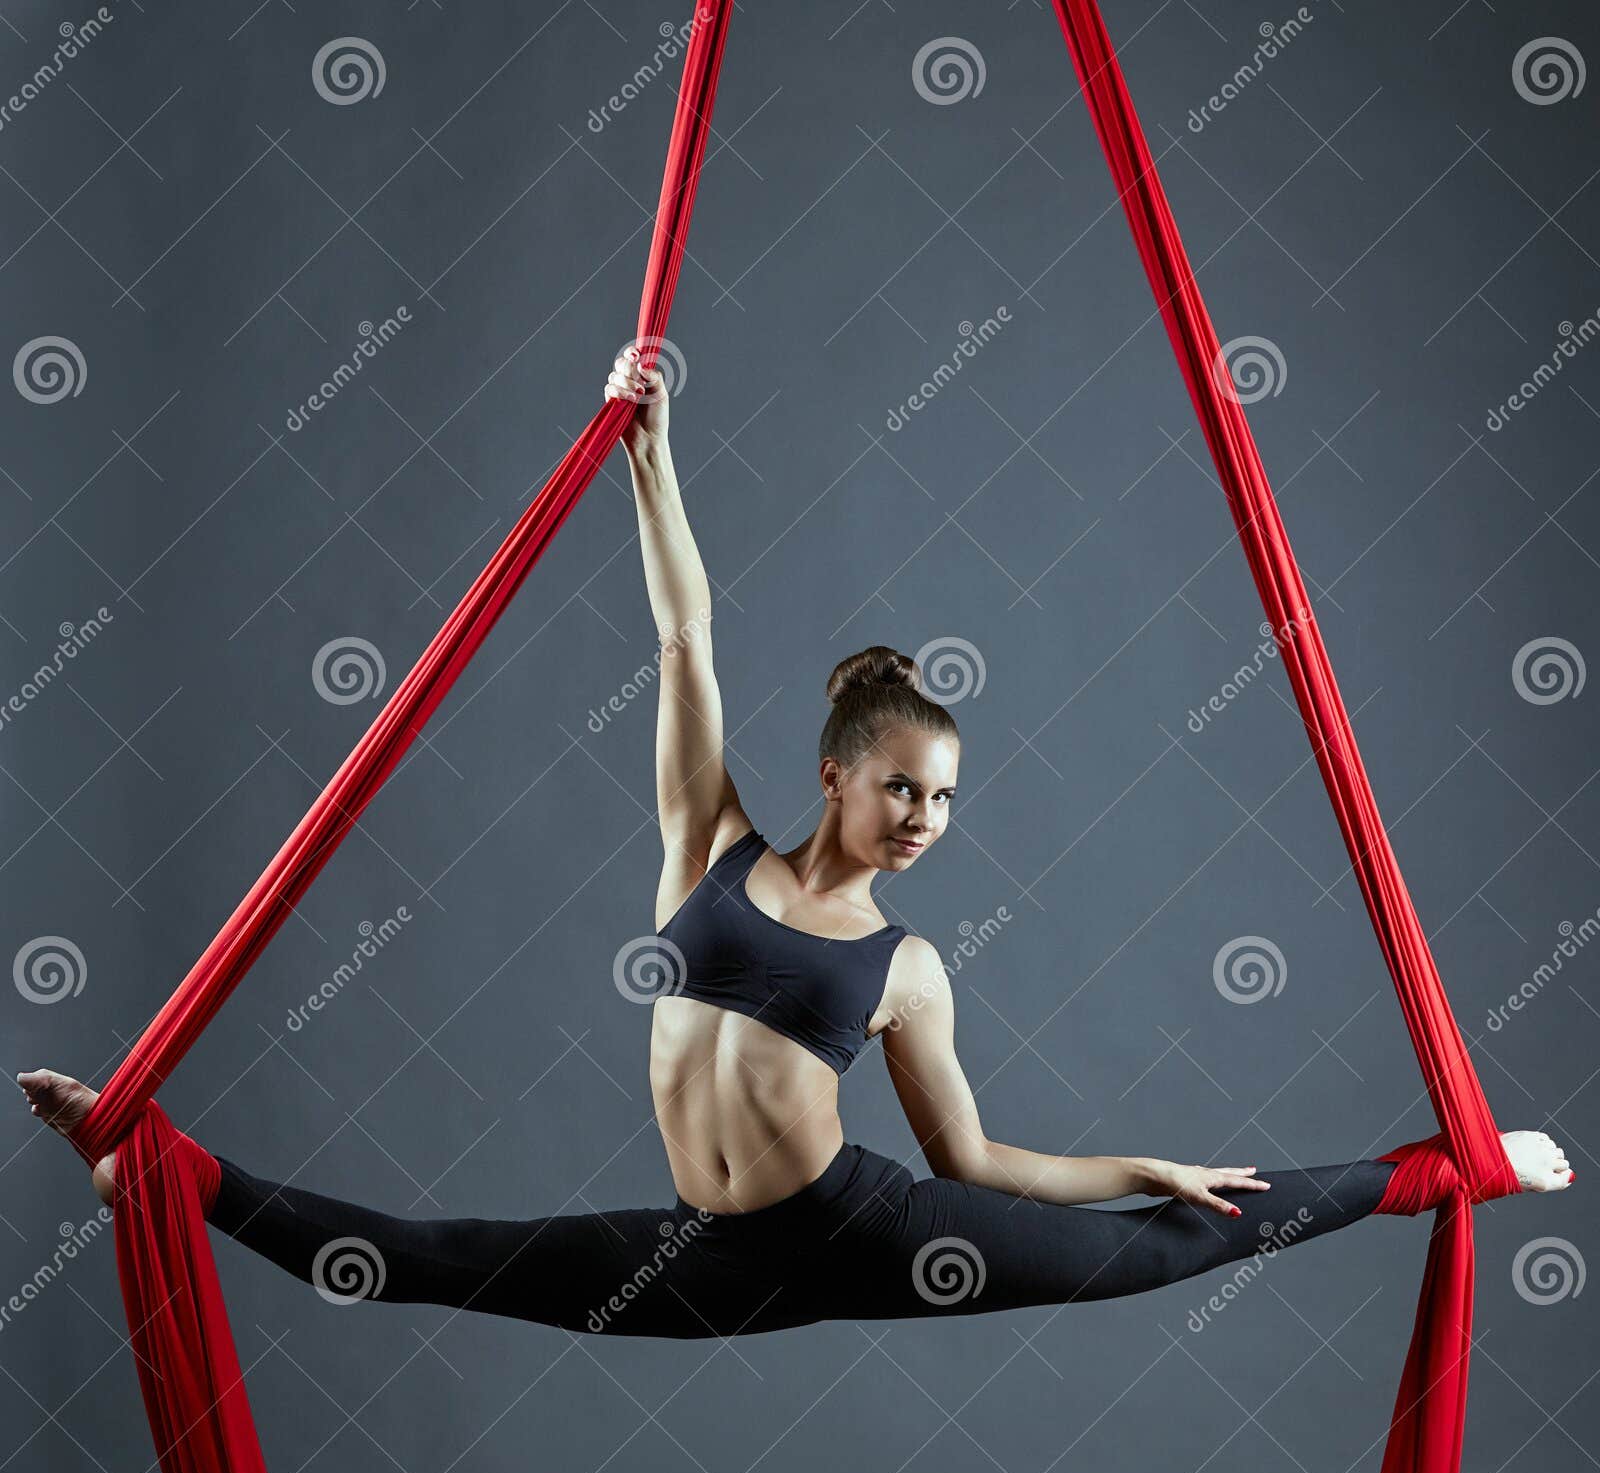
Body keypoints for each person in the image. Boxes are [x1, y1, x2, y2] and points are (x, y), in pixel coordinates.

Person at [19, 345, 1572, 1341]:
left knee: (1155, 1250)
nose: (927, 819)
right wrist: (649, 441)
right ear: (836, 773)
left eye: (947, 800)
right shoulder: (709, 839)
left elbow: (973, 1158)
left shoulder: (908, 966)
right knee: (438, 1256)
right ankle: (152, 1164)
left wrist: (1136, 1163)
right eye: (904, 787)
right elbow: (686, 637)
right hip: (710, 1249)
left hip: (859, 1233)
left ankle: (1447, 1171)